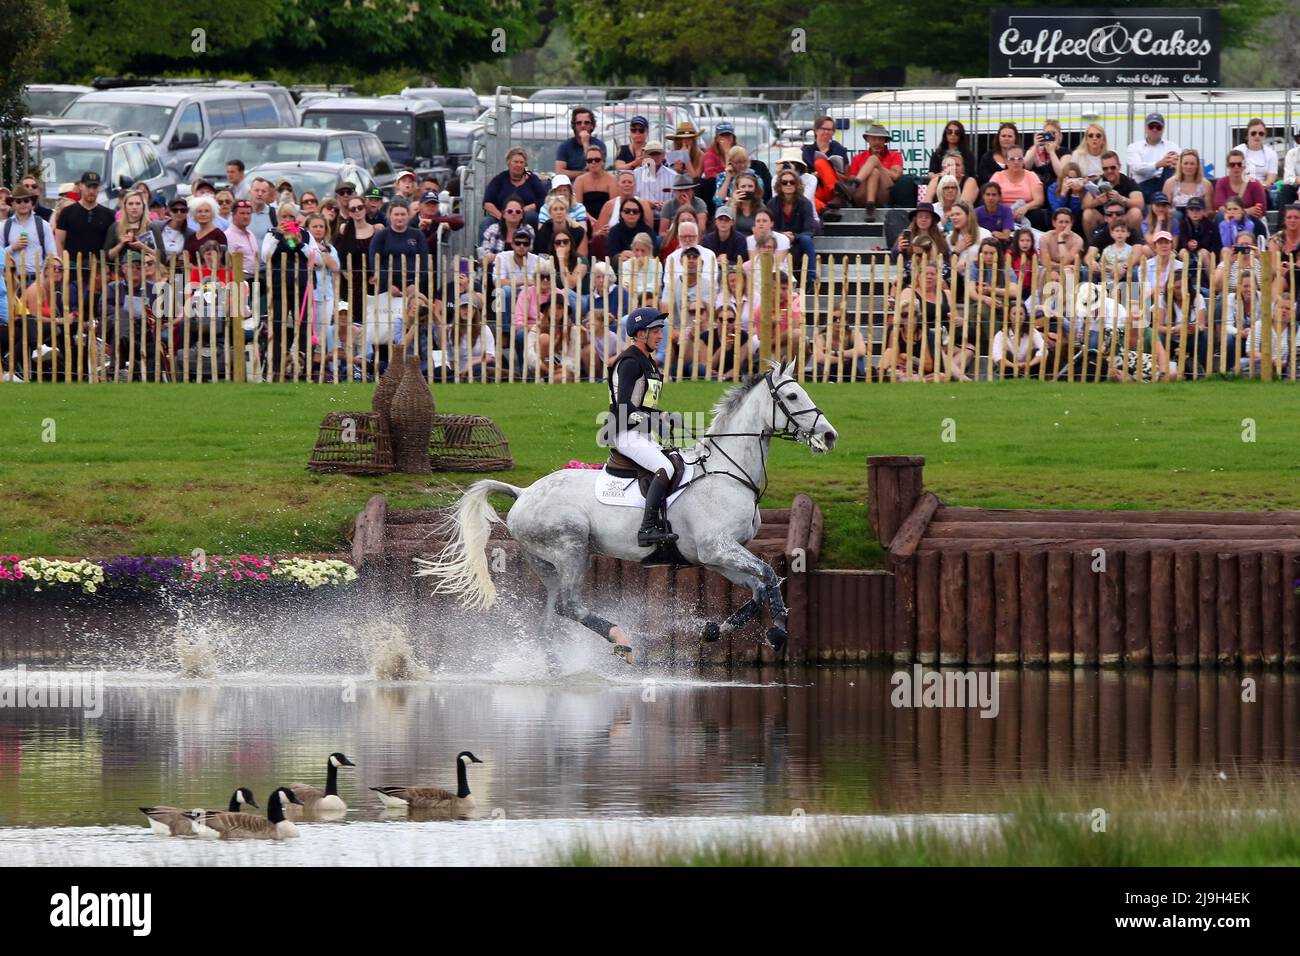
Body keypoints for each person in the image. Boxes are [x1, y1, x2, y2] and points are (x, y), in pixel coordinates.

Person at [607, 306, 681, 547]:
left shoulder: (648, 362)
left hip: (640, 432)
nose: (661, 336)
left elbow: (644, 406)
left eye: (660, 330)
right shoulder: (630, 362)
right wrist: (654, 420)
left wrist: (664, 415)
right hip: (624, 432)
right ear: (641, 334)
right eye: (656, 331)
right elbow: (624, 408)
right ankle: (647, 528)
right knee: (664, 467)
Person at [54, 171, 115, 287]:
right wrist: (64, 266)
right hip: (72, 270)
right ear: (81, 186)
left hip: (98, 272)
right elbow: (59, 241)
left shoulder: (109, 215)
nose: (91, 191)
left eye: (95, 187)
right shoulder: (67, 213)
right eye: (88, 186)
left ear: (99, 188)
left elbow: (111, 245)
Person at [368, 198, 429, 297]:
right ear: (390, 216)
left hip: (413, 288)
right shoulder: (381, 236)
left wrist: (415, 284)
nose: (399, 218)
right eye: (396, 214)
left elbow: (424, 262)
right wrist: (388, 285)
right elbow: (374, 263)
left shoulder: (418, 235)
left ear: (408, 215)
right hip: (388, 289)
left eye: (403, 214)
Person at [767, 168, 818, 280]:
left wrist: (794, 236)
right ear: (780, 185)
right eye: (784, 182)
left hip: (798, 239)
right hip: (777, 239)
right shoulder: (772, 204)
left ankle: (811, 279)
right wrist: (782, 235)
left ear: (797, 184)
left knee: (806, 240)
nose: (788, 184)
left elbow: (809, 230)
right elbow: (769, 228)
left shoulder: (805, 203)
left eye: (792, 182)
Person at [2, 185, 57, 286]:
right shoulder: (4, 226)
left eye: (26, 201)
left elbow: (52, 254)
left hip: (38, 280)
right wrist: (12, 247)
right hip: (12, 280)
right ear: (12, 204)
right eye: (18, 201)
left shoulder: (43, 225)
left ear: (32, 203)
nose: (23, 204)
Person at [1082, 151, 1145, 234]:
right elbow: (1084, 205)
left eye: (1112, 167)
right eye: (1105, 168)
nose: (1109, 171)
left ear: (1119, 167)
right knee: (1087, 213)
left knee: (1136, 213)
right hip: (1104, 221)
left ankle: (1133, 243)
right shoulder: (1097, 182)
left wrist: (1121, 199)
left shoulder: (1128, 182)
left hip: (1123, 223)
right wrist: (1097, 202)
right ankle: (1092, 245)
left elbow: (1140, 203)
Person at [1126, 112, 1181, 204]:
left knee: (1172, 165)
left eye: (1158, 127)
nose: (1154, 130)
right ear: (1145, 128)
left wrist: (1173, 162)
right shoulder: (1134, 147)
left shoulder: (1173, 146)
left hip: (1165, 183)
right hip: (1143, 185)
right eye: (1151, 126)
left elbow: (1181, 164)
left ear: (1163, 129)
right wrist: (1159, 164)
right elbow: (1137, 167)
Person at [848, 124, 902, 214]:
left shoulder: (895, 155)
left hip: (884, 195)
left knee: (874, 163)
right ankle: (870, 204)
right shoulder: (857, 158)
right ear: (868, 139)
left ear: (885, 140)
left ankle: (857, 185)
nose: (877, 142)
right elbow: (851, 177)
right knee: (874, 172)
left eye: (880, 139)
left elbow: (895, 176)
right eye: (874, 138)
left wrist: (877, 165)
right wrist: (866, 172)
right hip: (862, 195)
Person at [484, 148, 548, 223]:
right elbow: (487, 203)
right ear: (509, 163)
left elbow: (544, 199)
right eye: (515, 162)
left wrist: (529, 208)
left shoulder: (532, 179)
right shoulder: (499, 179)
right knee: (486, 222)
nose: (519, 165)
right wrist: (502, 218)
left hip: (526, 217)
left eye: (521, 162)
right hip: (501, 218)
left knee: (531, 216)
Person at [989, 145, 1047, 229]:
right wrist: (1008, 212)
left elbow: (1039, 200)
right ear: (1006, 161)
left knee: (1037, 215)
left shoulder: (1031, 175)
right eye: (1012, 159)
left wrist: (1026, 207)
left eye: (1019, 159)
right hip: (1002, 211)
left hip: (1025, 211)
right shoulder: (998, 176)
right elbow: (991, 196)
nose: (1016, 162)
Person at [104, 190, 159, 264]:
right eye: (130, 204)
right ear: (125, 206)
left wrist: (143, 247)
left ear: (143, 206)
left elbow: (162, 257)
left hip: (146, 271)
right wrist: (121, 245)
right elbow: (106, 257)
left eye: (138, 204)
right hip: (121, 272)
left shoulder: (151, 226)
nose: (134, 207)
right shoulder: (115, 226)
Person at [811, 309, 867, 381]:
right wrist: (842, 360)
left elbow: (861, 351)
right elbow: (818, 357)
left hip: (850, 369)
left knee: (856, 362)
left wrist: (835, 353)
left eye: (841, 318)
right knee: (818, 368)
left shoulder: (854, 335)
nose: (837, 321)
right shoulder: (821, 337)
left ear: (846, 321)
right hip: (830, 367)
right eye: (834, 319)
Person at [991, 302, 1045, 377]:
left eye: (1021, 314)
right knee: (1005, 354)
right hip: (1010, 367)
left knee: (1037, 352)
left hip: (1030, 367)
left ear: (1025, 316)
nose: (1018, 317)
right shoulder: (1001, 334)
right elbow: (996, 355)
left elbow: (1044, 350)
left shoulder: (1033, 332)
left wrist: (1029, 364)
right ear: (1009, 316)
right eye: (1014, 314)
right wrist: (1014, 366)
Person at [1214, 150, 1268, 222]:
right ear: (1228, 166)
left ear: (1244, 166)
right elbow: (1220, 207)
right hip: (1228, 220)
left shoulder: (1255, 184)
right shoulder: (1222, 182)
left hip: (1249, 222)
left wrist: (1239, 213)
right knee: (1220, 216)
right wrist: (1245, 211)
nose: (1236, 167)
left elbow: (1261, 210)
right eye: (1232, 164)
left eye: (1239, 164)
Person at [574, 146, 617, 230]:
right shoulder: (580, 181)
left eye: (597, 160)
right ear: (586, 163)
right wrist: (589, 219)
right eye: (589, 160)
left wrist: (601, 222)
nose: (593, 162)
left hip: (607, 220)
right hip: (586, 220)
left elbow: (614, 206)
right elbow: (578, 206)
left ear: (603, 162)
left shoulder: (612, 180)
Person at [1233, 118, 1279, 194]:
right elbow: (1234, 176)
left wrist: (1258, 187)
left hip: (1262, 190)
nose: (1257, 136)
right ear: (1247, 135)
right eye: (1253, 133)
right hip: (1241, 188)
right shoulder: (1237, 151)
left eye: (1261, 133)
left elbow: (1270, 181)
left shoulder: (1271, 154)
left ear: (1264, 136)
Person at [556, 108, 606, 177]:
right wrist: (584, 174)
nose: (583, 126)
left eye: (587, 122)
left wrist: (585, 143)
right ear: (574, 126)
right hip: (570, 185)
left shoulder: (599, 145)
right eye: (579, 123)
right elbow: (560, 172)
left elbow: (597, 170)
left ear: (592, 126)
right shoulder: (565, 146)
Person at [1162, 148, 1214, 216]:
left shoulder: (1206, 184)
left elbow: (1209, 211)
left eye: (1192, 164)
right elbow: (1164, 209)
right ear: (1180, 165)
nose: (1189, 167)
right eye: (1186, 163)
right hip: (1176, 220)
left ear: (1197, 166)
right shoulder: (1169, 183)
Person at [607, 196, 656, 262]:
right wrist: (620, 256)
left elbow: (655, 252)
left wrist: (636, 256)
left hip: (645, 266)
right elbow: (612, 255)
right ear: (621, 213)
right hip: (621, 267)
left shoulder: (648, 231)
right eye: (627, 211)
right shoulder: (614, 231)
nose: (631, 213)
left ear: (640, 214)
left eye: (635, 211)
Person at [633, 141, 676, 212]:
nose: (656, 157)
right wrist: (645, 203)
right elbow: (630, 197)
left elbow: (677, 198)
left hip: (666, 217)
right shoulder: (636, 174)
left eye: (658, 153)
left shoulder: (673, 175)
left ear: (663, 156)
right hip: (642, 217)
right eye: (652, 154)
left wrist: (668, 205)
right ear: (645, 156)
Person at [1024, 119, 1065, 190]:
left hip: (1055, 189)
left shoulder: (1064, 151)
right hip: (1036, 188)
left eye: (1053, 133)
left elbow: (1061, 174)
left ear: (1059, 135)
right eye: (1047, 133)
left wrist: (1052, 152)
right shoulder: (1034, 150)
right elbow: (1026, 166)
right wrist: (1035, 146)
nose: (1050, 136)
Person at [975, 181, 1014, 246]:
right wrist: (992, 234)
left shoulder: (1006, 210)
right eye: (988, 194)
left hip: (1001, 244)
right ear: (983, 196)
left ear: (999, 196)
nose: (991, 198)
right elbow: (975, 235)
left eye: (994, 195)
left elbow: (1006, 236)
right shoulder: (976, 212)